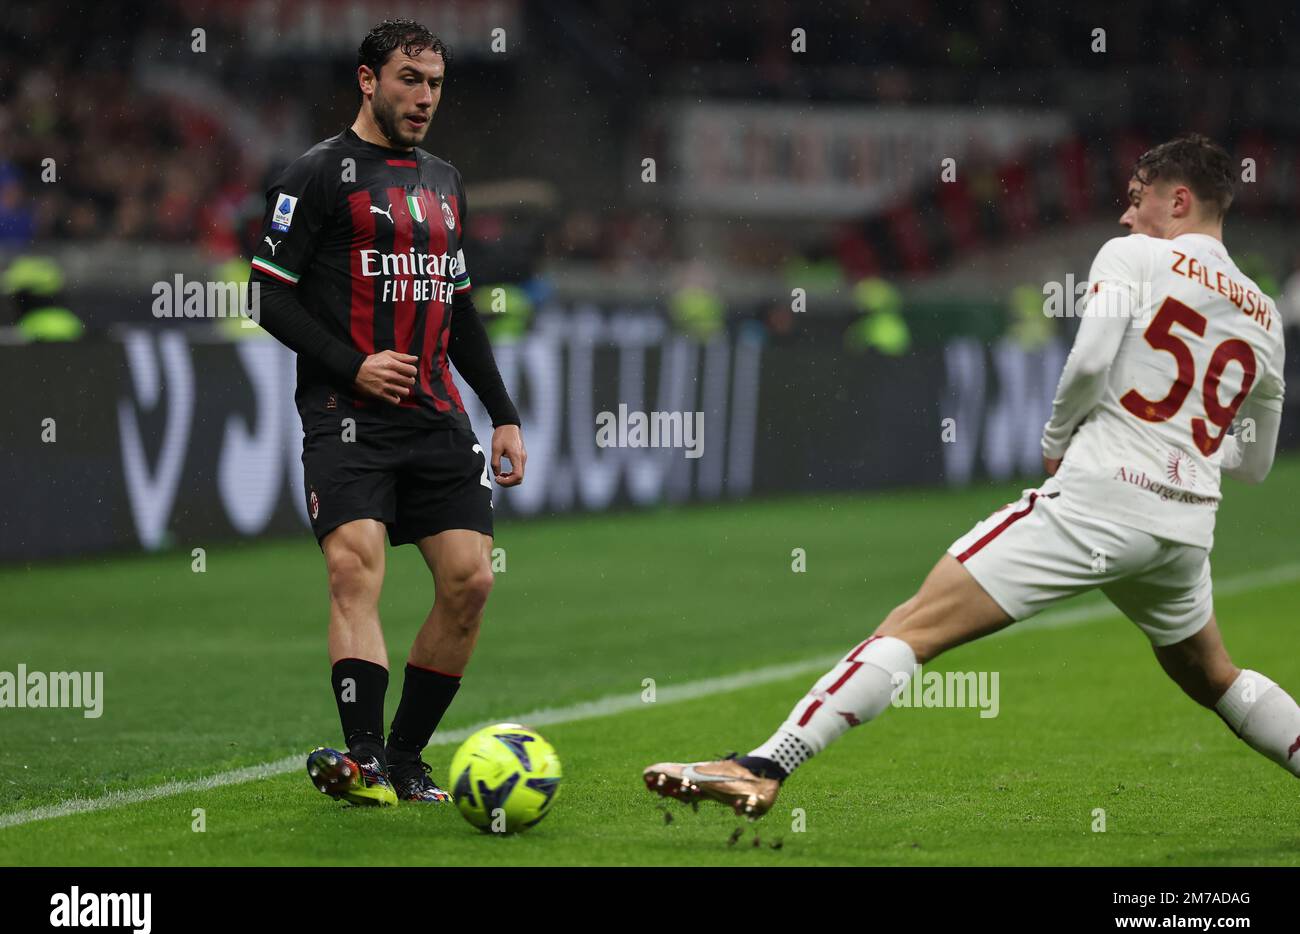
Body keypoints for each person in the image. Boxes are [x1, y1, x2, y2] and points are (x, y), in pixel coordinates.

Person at [643, 134, 1297, 818]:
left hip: (1101, 500)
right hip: (1186, 525)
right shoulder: (1263, 313)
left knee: (912, 626)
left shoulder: (1134, 256)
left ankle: (762, 766)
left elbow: (1087, 361)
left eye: (1137, 201)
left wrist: (1055, 438)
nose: (1127, 218)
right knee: (1216, 676)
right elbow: (1254, 462)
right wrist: (1185, 450)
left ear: (1180, 199)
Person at [247, 18, 525, 806]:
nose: (425, 96)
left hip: (437, 417)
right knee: (353, 564)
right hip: (346, 412)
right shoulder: (315, 174)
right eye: (410, 79)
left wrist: (501, 412)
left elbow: (459, 307)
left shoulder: (445, 180)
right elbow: (266, 293)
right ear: (368, 80)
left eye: (435, 83)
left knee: (471, 582)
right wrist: (353, 364)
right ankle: (364, 760)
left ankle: (405, 757)